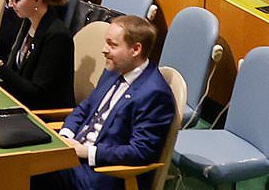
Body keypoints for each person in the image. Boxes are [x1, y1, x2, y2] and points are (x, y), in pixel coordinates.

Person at [34, 16, 175, 190]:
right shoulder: (113, 70)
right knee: (22, 158)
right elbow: (84, 109)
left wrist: (88, 152)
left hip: (103, 174)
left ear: (136, 49)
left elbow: (141, 152)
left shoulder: (155, 94)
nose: (104, 49)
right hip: (74, 155)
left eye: (112, 45)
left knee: (31, 170)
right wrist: (66, 136)